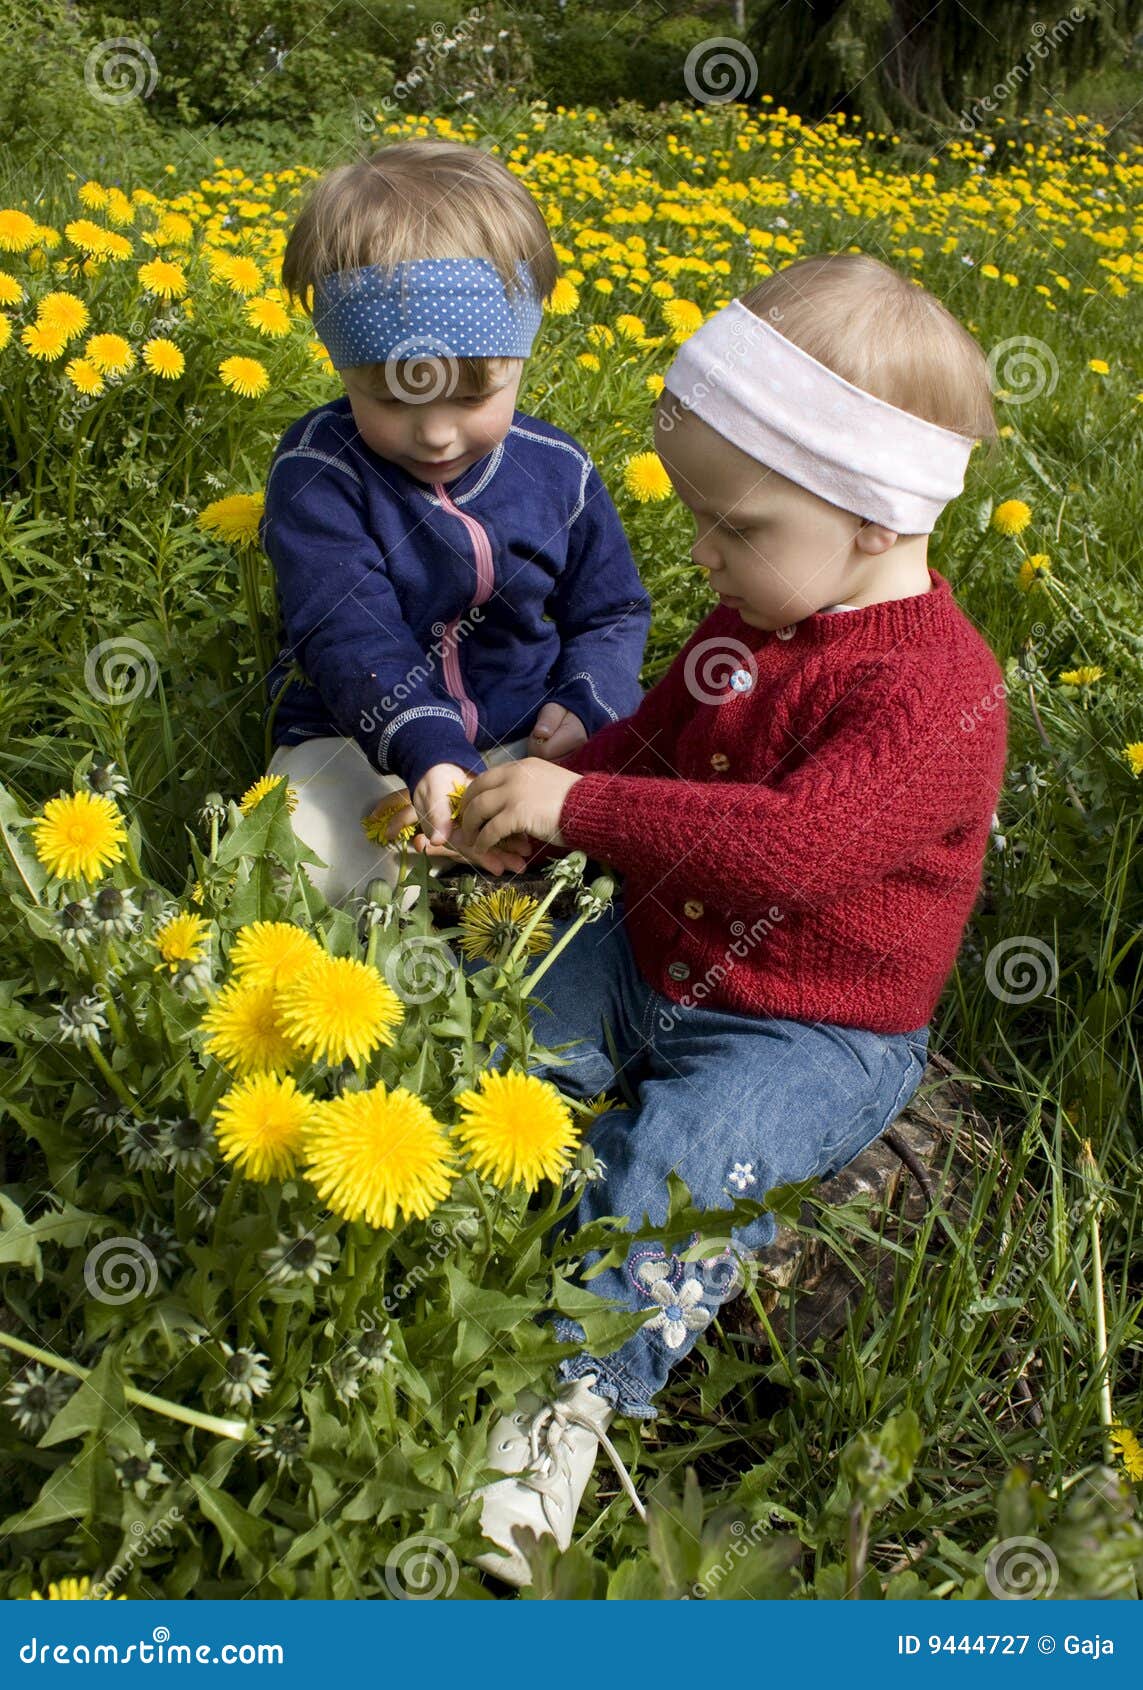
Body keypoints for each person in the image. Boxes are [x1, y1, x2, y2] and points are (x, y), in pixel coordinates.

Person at [431, 253, 1009, 1585]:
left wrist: (578, 811)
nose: (700, 551)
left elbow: (798, 851)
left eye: (732, 524)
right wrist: (544, 796)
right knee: (510, 1030)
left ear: (869, 516)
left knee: (686, 1166)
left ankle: (567, 1407)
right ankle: (439, 1225)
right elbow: (656, 731)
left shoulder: (934, 692)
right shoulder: (764, 607)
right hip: (653, 954)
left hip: (813, 1029)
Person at [258, 139, 651, 906]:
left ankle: (503, 906)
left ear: (521, 358)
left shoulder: (556, 470)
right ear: (342, 365)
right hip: (356, 740)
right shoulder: (320, 474)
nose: (435, 435)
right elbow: (346, 635)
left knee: (639, 840)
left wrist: (588, 696)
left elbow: (611, 608)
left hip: (524, 734)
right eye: (392, 398)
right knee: (299, 865)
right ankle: (417, 906)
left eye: (473, 398)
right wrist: (427, 749)